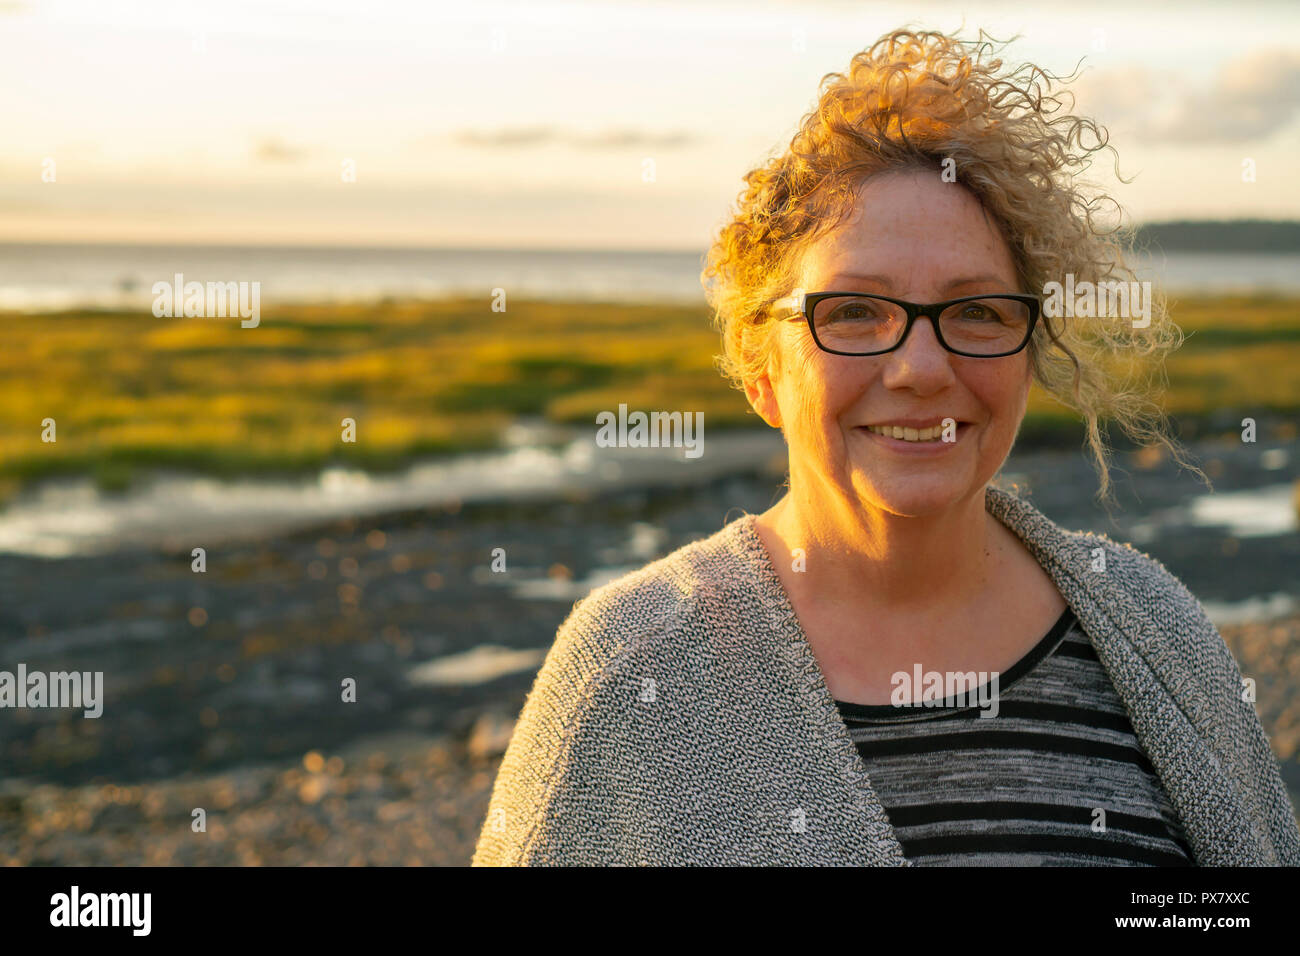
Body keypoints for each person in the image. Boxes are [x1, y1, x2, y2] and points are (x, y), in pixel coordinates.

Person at [472, 28, 1300, 866]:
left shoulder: (1157, 629)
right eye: (854, 313)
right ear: (761, 371)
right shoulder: (628, 672)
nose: (921, 368)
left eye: (978, 312)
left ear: (1028, 356)